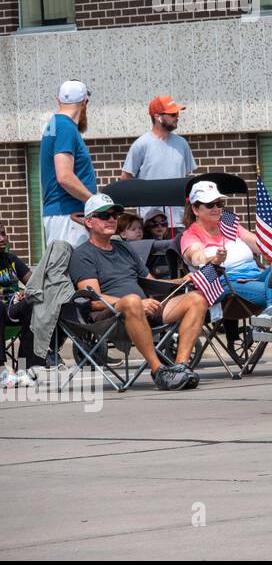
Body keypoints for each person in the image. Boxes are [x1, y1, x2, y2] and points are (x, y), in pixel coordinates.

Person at [68, 194, 207, 391]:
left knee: (196, 299)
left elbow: (150, 282)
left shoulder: (124, 248)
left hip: (144, 310)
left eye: (114, 215)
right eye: (104, 215)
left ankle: (180, 367)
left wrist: (180, 281)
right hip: (110, 318)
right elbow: (93, 300)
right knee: (132, 300)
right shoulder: (83, 254)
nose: (111, 220)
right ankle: (158, 371)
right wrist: (135, 303)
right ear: (89, 221)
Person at [179, 181, 272, 309]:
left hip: (255, 275)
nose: (216, 209)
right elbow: (197, 259)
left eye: (219, 203)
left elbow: (259, 245)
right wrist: (214, 259)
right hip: (227, 284)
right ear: (195, 209)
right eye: (210, 205)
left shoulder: (228, 222)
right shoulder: (190, 235)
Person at [120, 95, 197, 234]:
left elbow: (188, 179)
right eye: (173, 114)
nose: (177, 117)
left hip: (179, 220)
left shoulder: (182, 144)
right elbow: (125, 179)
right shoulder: (141, 144)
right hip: (151, 222)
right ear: (157, 117)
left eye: (177, 114)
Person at [39, 80, 97, 250]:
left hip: (64, 215)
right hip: (68, 216)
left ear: (58, 100)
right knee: (71, 274)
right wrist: (94, 201)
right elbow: (64, 177)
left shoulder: (56, 123)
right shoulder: (66, 127)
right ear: (85, 102)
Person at [0, 223, 37, 387]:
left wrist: (27, 292)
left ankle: (22, 368)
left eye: (3, 234)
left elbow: (34, 283)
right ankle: (1, 370)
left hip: (12, 310)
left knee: (35, 302)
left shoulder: (11, 260)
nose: (2, 239)